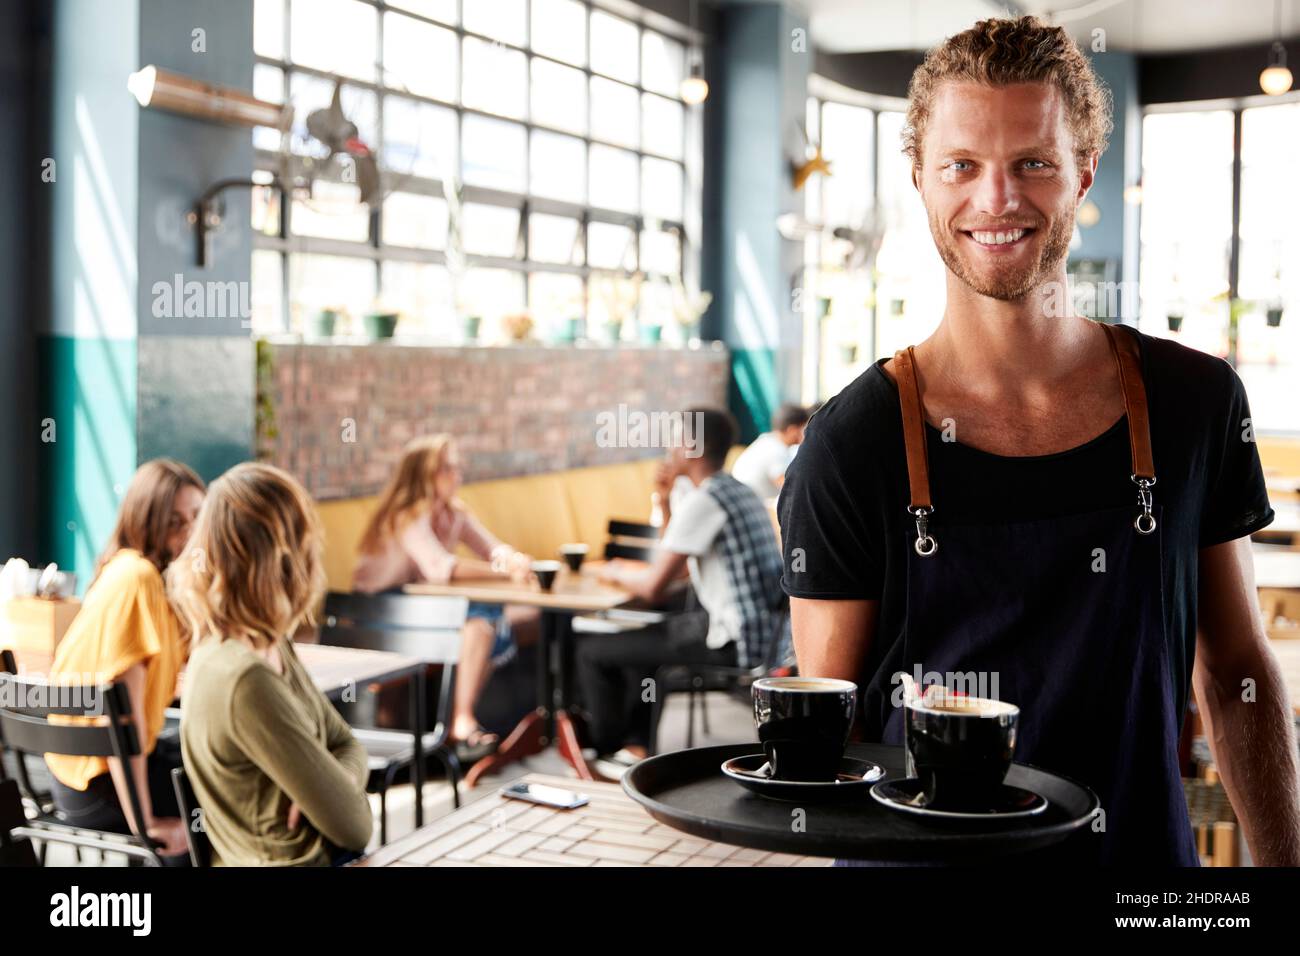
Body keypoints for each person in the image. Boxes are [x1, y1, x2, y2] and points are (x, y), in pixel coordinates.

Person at [778, 15, 1299, 866]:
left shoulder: (1194, 403)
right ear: (919, 178)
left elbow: (1238, 672)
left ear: (1084, 171)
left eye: (1033, 163)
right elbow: (830, 737)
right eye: (962, 165)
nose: (997, 200)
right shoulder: (852, 442)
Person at [171, 463, 373, 866]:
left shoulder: (272, 643)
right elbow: (356, 825)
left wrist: (339, 782)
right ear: (285, 557)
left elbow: (347, 743)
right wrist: (336, 793)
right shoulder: (243, 679)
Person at [579, 407, 785, 779]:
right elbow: (677, 563)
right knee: (639, 648)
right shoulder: (738, 491)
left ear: (690, 446)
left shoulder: (706, 501)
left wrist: (611, 570)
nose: (669, 447)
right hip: (760, 635)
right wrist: (663, 500)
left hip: (733, 640)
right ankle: (635, 748)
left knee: (592, 652)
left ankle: (603, 751)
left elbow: (654, 586)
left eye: (674, 438)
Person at [45, 459, 205, 862]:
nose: (190, 534)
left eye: (198, 517)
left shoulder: (132, 572)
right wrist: (143, 824)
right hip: (99, 786)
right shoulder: (138, 578)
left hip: (87, 773)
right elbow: (119, 717)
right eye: (175, 523)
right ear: (147, 523)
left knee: (216, 766)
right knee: (229, 794)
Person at [352, 434, 539, 757]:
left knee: (483, 620)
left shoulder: (454, 512)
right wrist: (506, 573)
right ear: (424, 474)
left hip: (415, 606)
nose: (457, 476)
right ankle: (461, 720)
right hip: (377, 611)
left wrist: (513, 559)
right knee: (483, 616)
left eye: (457, 468)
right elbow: (440, 568)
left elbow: (492, 548)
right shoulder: (407, 515)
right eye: (448, 469)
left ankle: (462, 720)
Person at [731, 403, 809, 499]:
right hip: (751, 504)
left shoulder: (769, 442)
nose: (807, 433)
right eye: (805, 428)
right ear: (792, 430)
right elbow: (793, 489)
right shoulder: (775, 450)